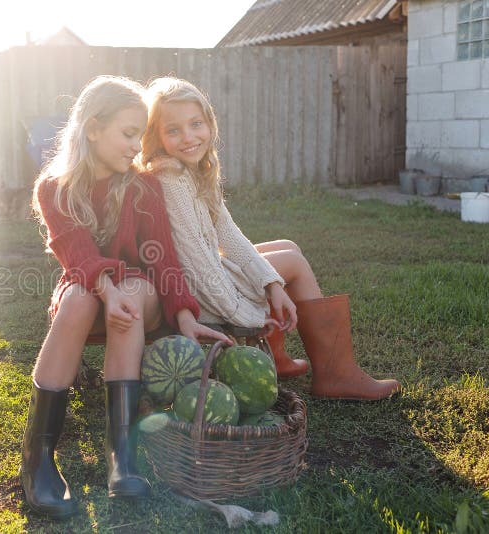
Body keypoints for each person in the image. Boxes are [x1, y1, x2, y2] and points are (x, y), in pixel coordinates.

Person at [23, 75, 228, 519]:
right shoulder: (54, 188)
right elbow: (76, 254)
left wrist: (186, 314)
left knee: (131, 295)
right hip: (86, 286)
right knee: (79, 298)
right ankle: (38, 458)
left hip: (139, 292)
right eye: (128, 133)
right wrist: (104, 289)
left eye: (141, 135)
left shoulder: (142, 188)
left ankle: (122, 454)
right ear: (93, 128)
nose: (138, 146)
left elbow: (165, 261)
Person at [139, 76, 400, 401]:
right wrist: (246, 315)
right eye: (174, 130)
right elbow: (198, 266)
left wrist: (271, 283)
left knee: (287, 248)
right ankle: (336, 373)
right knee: (293, 261)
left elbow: (228, 235)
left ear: (210, 123)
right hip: (194, 295)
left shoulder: (192, 170)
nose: (189, 137)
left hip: (202, 275)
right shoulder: (172, 179)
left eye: (196, 124)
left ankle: (275, 358)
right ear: (156, 136)